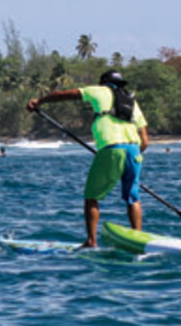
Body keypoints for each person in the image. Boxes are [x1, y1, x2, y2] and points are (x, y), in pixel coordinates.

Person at [27, 70, 149, 248]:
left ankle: (91, 241)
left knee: (91, 197)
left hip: (111, 149)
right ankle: (138, 238)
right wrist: (130, 156)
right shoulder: (132, 101)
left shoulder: (98, 91)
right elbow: (145, 141)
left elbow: (65, 95)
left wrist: (40, 101)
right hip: (134, 151)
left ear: (103, 83)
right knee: (133, 197)